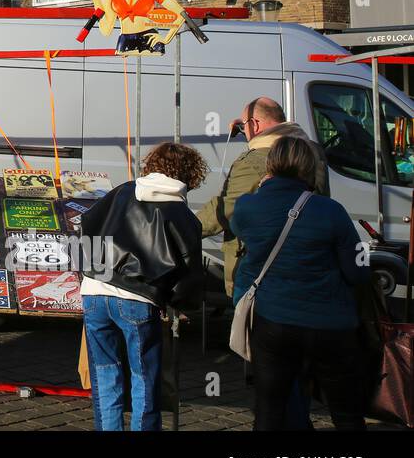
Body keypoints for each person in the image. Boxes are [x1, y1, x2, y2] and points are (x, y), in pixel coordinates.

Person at [231, 136, 370, 431]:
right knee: (346, 413)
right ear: (309, 168)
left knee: (269, 410)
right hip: (331, 325)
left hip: (273, 322)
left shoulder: (246, 207)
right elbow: (358, 271)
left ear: (269, 166)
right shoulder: (331, 210)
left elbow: (239, 230)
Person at [78, 142, 206, 431]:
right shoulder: (182, 214)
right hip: (139, 297)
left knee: (105, 375)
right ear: (189, 174)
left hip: (95, 290)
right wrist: (180, 303)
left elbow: (87, 223)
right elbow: (188, 274)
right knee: (144, 379)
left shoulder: (123, 191)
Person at [197, 96, 329, 297]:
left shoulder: (256, 159)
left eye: (246, 125)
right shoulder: (312, 150)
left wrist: (187, 228)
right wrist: (244, 125)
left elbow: (229, 206)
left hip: (259, 269)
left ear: (256, 124)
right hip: (305, 262)